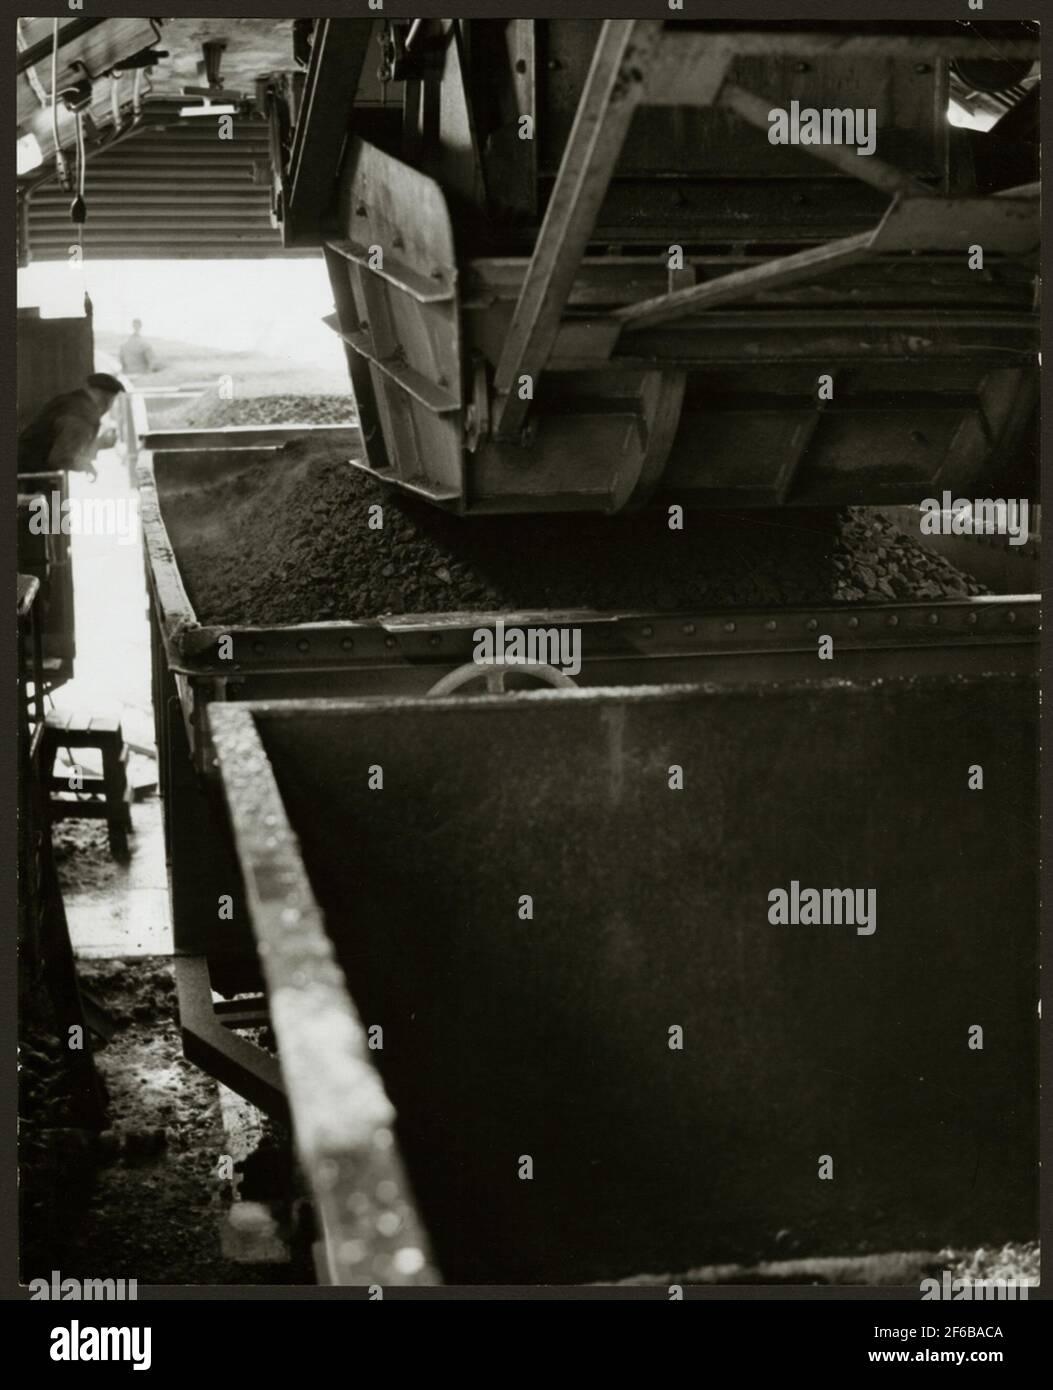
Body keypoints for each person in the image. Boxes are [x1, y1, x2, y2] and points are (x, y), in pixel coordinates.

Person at [17, 373, 126, 483]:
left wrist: (98, 445)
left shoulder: (71, 402)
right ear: (106, 401)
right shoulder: (82, 414)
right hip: (30, 481)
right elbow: (61, 458)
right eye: (112, 401)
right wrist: (88, 466)